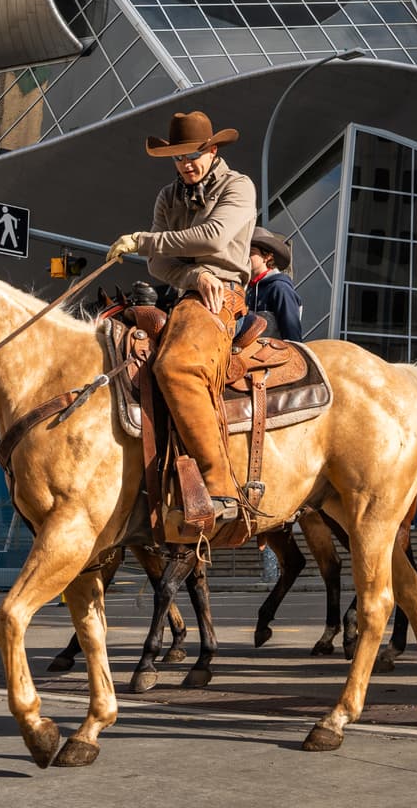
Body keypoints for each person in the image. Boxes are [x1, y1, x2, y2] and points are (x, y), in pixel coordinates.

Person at [107, 111, 257, 535]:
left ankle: (221, 486)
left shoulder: (239, 186)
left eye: (192, 155)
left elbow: (212, 237)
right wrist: (192, 275)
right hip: (188, 292)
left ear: (212, 150)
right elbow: (159, 264)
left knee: (173, 367)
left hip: (222, 296)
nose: (185, 164)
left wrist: (142, 240)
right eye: (177, 158)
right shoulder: (166, 197)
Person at [246, 227, 304, 341]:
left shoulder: (280, 288)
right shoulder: (245, 289)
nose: (245, 257)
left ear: (267, 257)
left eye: (251, 252)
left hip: (273, 357)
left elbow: (292, 336)